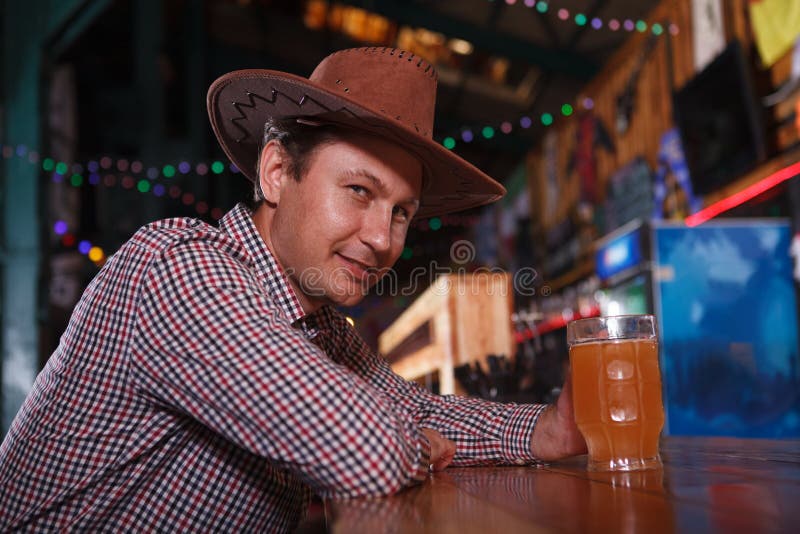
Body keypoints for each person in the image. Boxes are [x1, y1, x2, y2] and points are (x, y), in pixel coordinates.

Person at [0, 47, 585, 531]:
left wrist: (546, 431)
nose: (382, 238)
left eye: (402, 213)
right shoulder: (177, 266)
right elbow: (366, 450)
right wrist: (410, 440)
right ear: (276, 172)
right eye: (359, 190)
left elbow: (414, 408)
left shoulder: (324, 329)